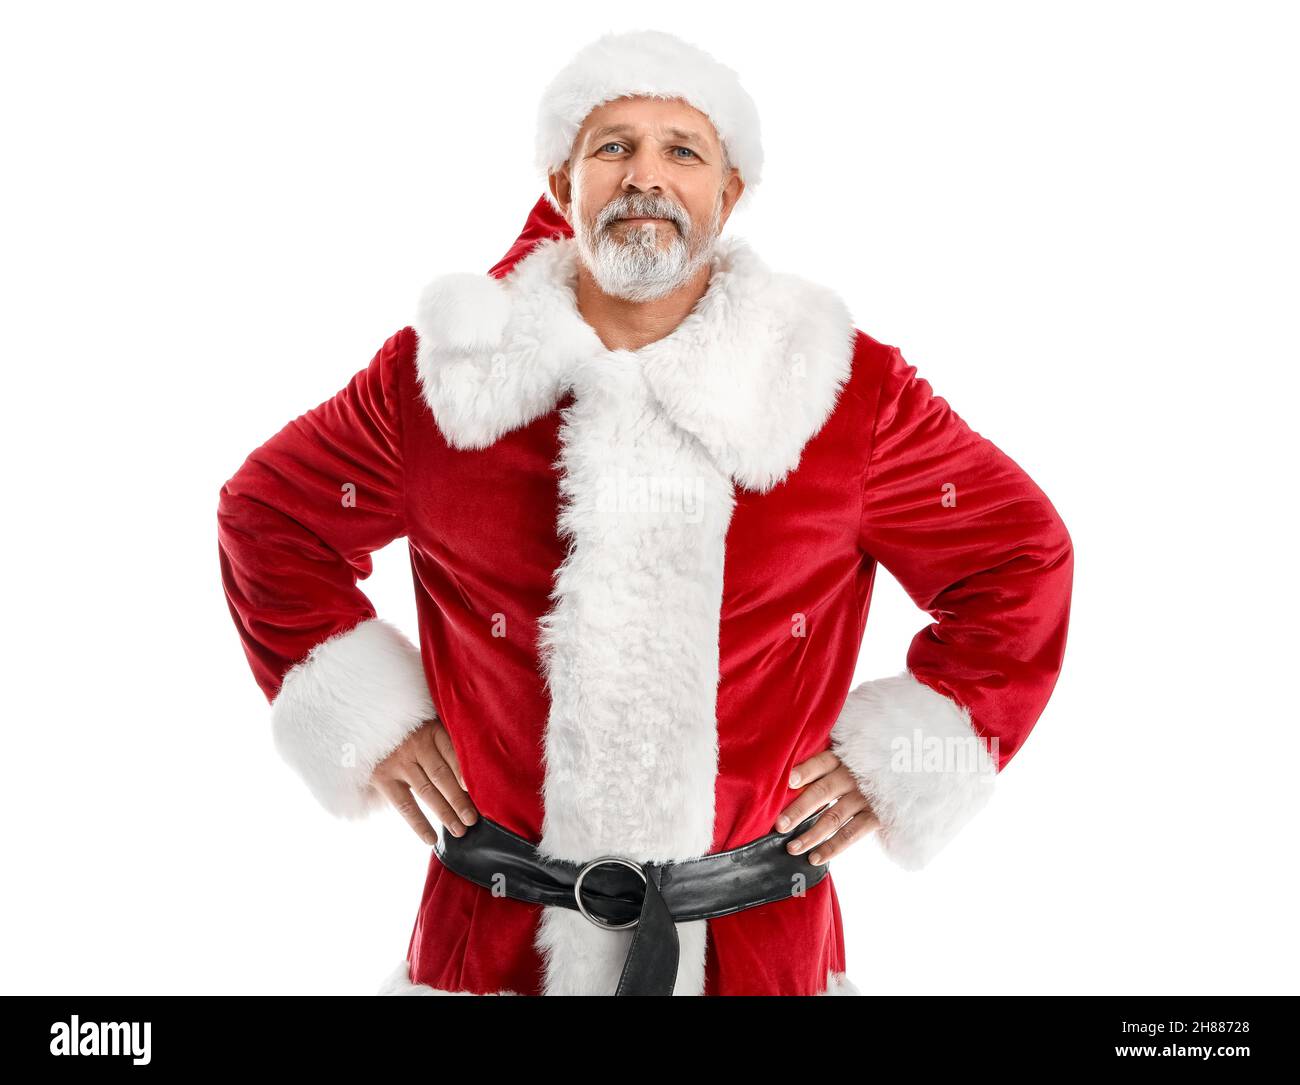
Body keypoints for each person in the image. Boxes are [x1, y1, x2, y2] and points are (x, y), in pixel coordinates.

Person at [217, 28, 1074, 996]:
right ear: (560, 186)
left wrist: (908, 751)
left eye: (682, 150)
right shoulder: (444, 387)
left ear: (729, 193)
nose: (646, 177)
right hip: (492, 948)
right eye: (612, 146)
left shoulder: (839, 392)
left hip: (753, 951)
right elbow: (267, 517)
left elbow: (1020, 556)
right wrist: (374, 723)